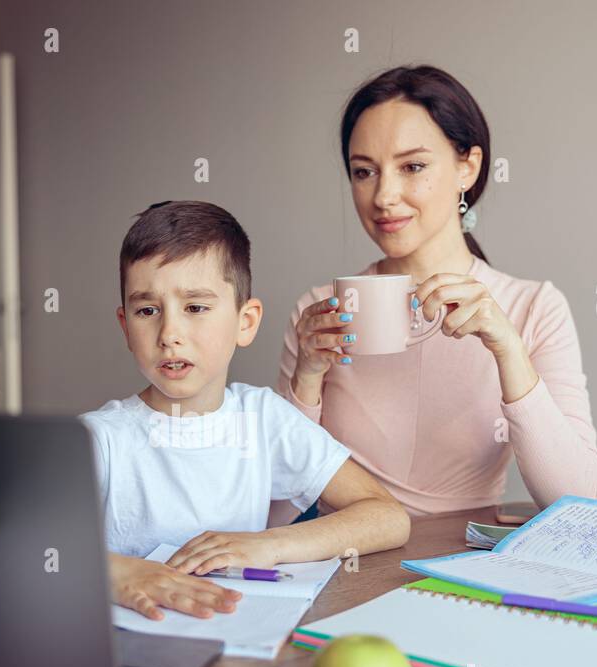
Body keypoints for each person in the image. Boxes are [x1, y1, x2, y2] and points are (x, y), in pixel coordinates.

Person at [276, 65, 597, 522]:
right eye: (364, 171)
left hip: (462, 568)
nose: (384, 196)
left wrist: (509, 351)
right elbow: (275, 514)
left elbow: (576, 498)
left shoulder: (533, 307)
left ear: (467, 167)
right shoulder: (319, 312)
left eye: (412, 167)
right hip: (344, 560)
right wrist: (306, 381)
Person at [83, 200, 410, 621]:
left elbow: (387, 518)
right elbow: (22, 548)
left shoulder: (263, 418)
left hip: (239, 641)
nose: (170, 334)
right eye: (148, 311)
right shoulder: (99, 437)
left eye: (196, 307)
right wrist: (118, 572)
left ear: (246, 321)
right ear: (126, 326)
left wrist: (269, 545)